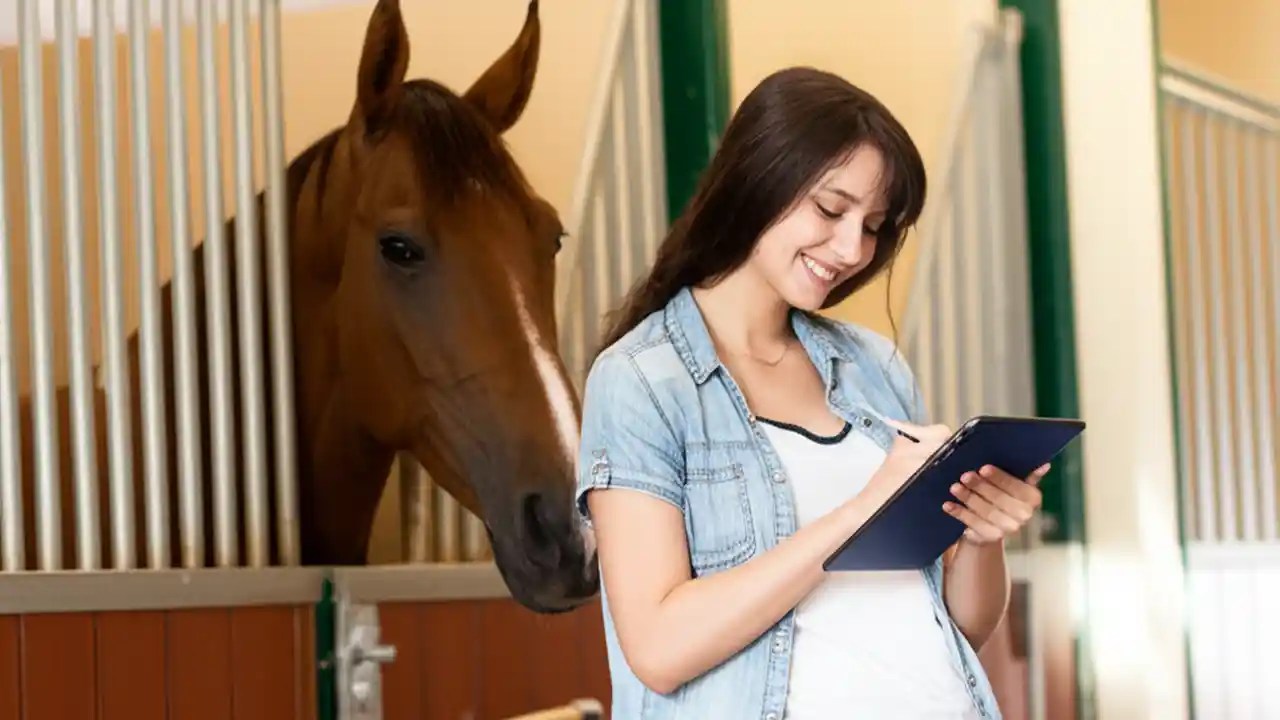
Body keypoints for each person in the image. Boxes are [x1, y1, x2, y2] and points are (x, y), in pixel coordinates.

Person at [574, 66, 1047, 720]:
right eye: (830, 208)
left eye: (875, 225)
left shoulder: (875, 367)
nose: (852, 247)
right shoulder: (641, 380)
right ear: (760, 176)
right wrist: (863, 510)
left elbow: (956, 627)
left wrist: (983, 536)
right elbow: (658, 646)